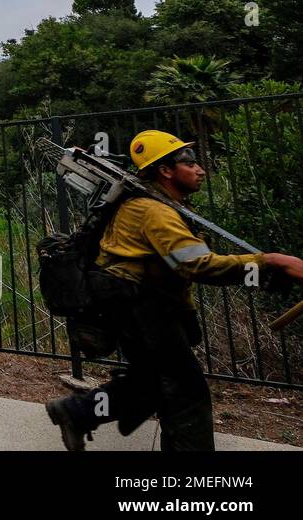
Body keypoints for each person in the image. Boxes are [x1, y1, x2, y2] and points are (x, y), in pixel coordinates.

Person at [46, 131, 303, 450]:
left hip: (137, 307)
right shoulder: (154, 211)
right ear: (165, 171)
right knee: (185, 394)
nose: (200, 168)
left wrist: (261, 270)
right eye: (189, 162)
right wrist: (270, 261)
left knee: (152, 383)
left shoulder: (152, 205)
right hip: (142, 309)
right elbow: (197, 265)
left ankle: (77, 411)